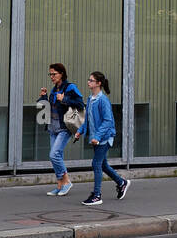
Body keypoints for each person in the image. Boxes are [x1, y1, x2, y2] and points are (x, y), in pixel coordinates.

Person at [76, 71, 128, 205]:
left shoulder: (103, 100)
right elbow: (88, 119)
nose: (88, 82)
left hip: (104, 138)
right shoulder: (90, 99)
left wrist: (98, 136)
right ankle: (121, 182)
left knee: (96, 164)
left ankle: (97, 195)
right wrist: (80, 131)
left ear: (98, 83)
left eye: (91, 80)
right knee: (103, 164)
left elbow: (108, 121)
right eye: (89, 79)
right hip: (96, 138)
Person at [38, 63, 83, 196]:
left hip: (64, 128)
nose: (51, 77)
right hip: (53, 128)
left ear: (61, 74)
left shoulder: (70, 87)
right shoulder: (53, 89)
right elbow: (48, 107)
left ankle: (67, 182)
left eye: (54, 74)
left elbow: (80, 103)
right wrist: (43, 97)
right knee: (57, 157)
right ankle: (59, 185)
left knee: (54, 155)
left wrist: (65, 99)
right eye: (50, 74)